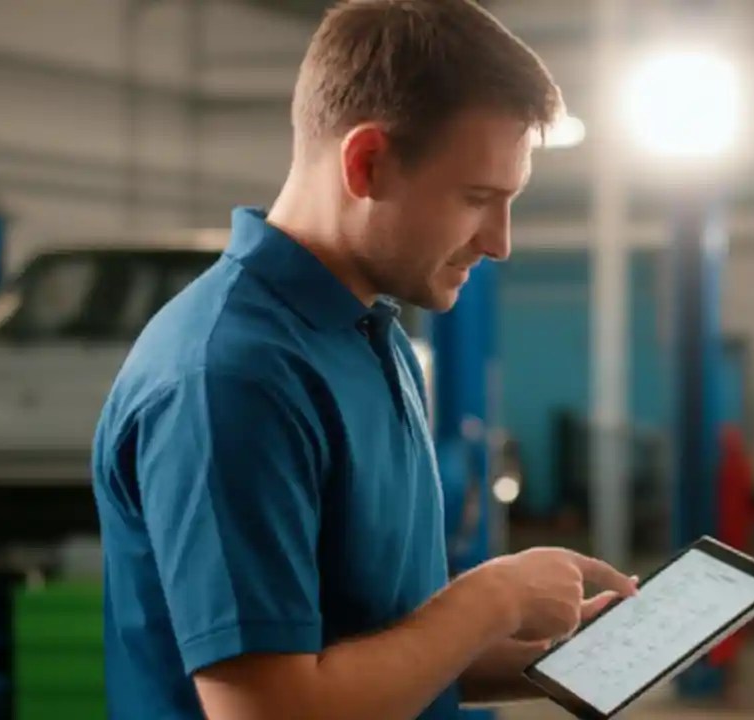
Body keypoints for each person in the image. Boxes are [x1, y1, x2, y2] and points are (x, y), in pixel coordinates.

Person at [90, 2, 637, 719]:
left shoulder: (368, 337)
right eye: (478, 198)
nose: (500, 242)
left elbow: (373, 650)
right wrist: (491, 599)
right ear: (367, 162)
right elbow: (272, 710)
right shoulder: (229, 378)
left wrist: (554, 662)